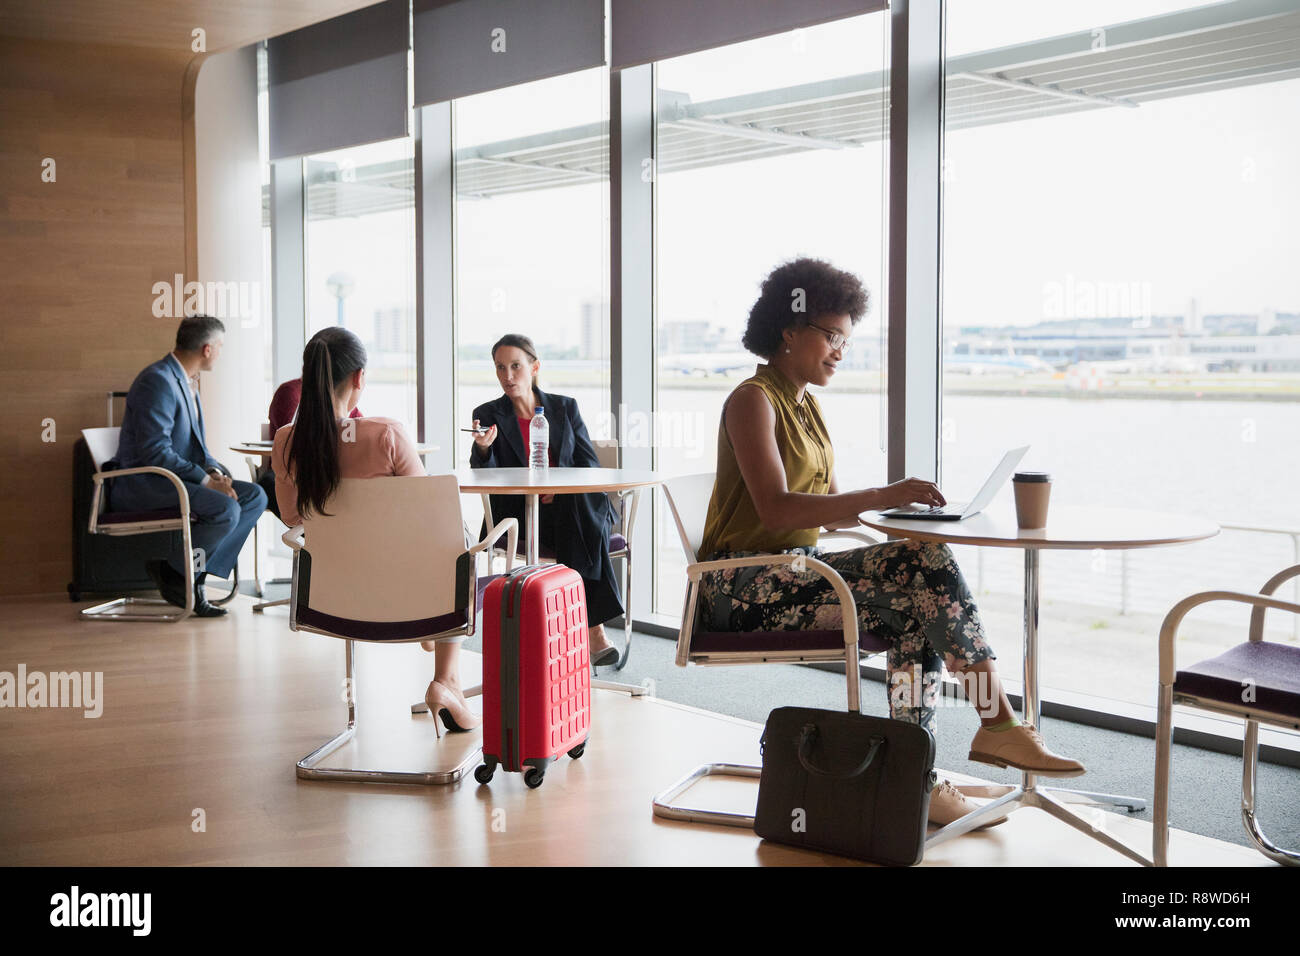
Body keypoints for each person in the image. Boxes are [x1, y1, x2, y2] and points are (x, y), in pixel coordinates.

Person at [697, 257, 1084, 828]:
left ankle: (920, 773)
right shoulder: (753, 399)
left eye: (846, 341)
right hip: (739, 583)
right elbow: (777, 510)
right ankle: (994, 726)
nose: (839, 349)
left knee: (918, 591)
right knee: (919, 580)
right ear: (788, 330)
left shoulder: (807, 405)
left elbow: (825, 512)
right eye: (831, 336)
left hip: (798, 572)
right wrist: (883, 492)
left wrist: (899, 511)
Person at [271, 327, 478, 734]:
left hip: (331, 598)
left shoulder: (285, 441)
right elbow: (430, 521)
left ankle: (437, 646)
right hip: (407, 595)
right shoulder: (386, 434)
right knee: (462, 539)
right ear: (358, 378)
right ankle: (446, 678)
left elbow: (292, 516)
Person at [469, 333, 623, 667]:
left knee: (577, 507)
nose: (508, 376)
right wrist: (483, 449)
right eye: (500, 368)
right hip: (519, 516)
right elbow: (487, 478)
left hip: (568, 512)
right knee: (586, 524)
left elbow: (589, 466)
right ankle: (593, 630)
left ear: (534, 367)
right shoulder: (488, 413)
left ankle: (582, 628)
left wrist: (559, 485)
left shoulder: (564, 407)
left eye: (515, 366)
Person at [111, 315, 267, 617]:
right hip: (145, 484)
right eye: (220, 346)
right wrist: (208, 484)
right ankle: (178, 573)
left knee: (254, 497)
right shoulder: (157, 380)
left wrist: (214, 473)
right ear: (207, 349)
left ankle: (191, 574)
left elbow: (199, 447)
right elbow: (155, 451)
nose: (221, 352)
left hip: (178, 480)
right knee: (225, 508)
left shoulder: (186, 382)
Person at [257, 378, 361, 520]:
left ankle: (326, 535)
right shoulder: (291, 393)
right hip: (293, 469)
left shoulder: (344, 400)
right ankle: (325, 535)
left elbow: (359, 438)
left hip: (328, 472)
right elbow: (291, 443)